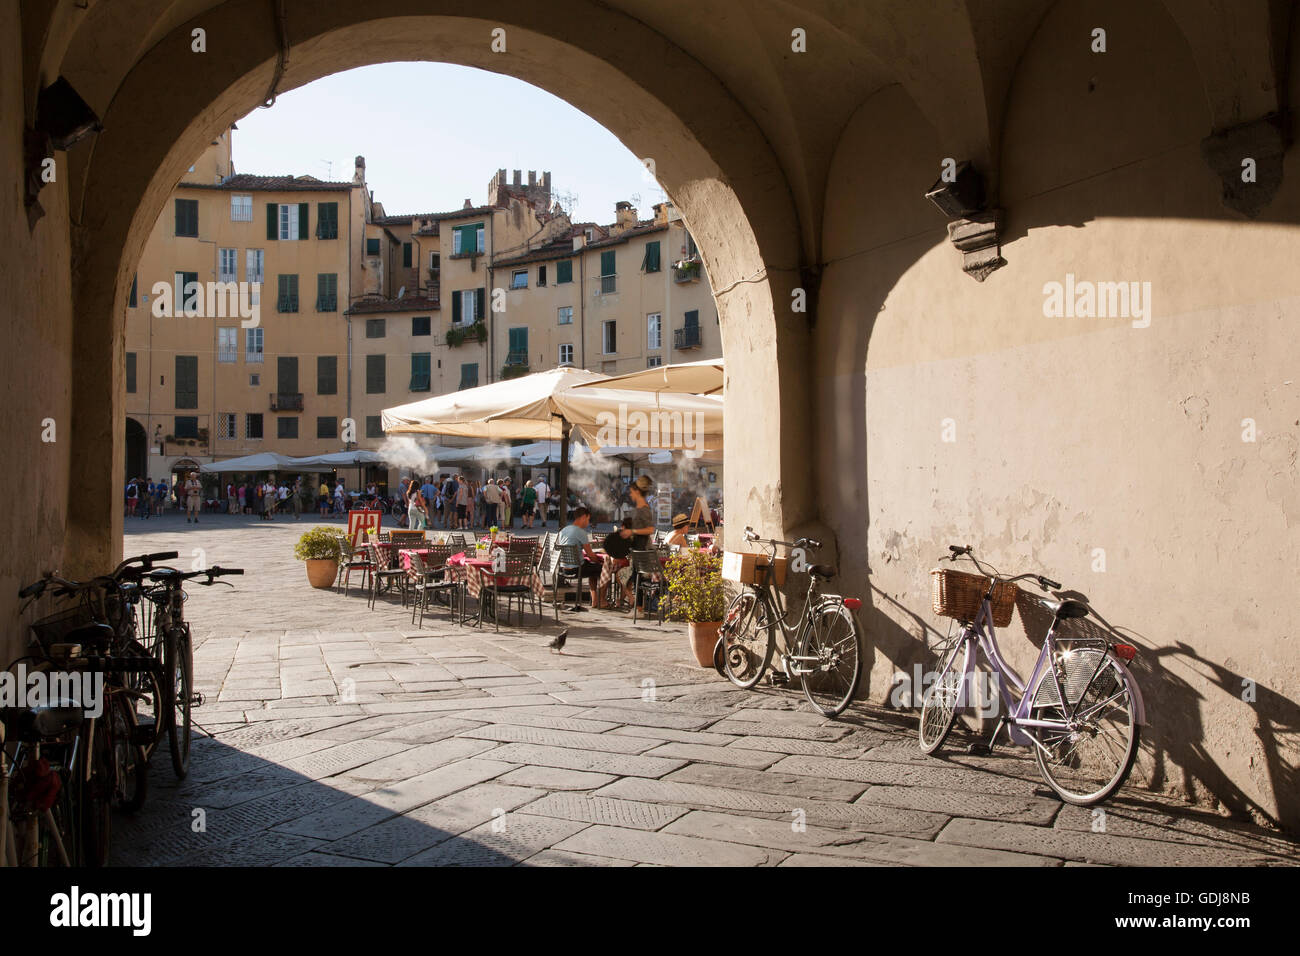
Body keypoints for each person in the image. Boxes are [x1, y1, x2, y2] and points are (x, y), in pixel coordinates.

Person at [556, 507, 605, 609]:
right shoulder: (581, 532)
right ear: (583, 517)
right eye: (588, 520)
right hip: (577, 568)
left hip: (564, 569)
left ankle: (595, 600)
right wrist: (600, 561)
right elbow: (591, 555)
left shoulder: (563, 530)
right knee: (602, 569)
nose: (588, 523)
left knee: (593, 568)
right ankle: (601, 600)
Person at [602, 517, 638, 607]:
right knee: (623, 575)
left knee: (622, 575)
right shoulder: (621, 538)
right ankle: (623, 599)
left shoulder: (630, 539)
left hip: (630, 566)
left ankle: (622, 599)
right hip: (625, 565)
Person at [626, 475, 657, 549]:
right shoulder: (638, 508)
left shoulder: (644, 509)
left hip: (644, 549)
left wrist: (632, 531)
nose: (630, 494)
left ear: (637, 492)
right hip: (638, 547)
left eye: (631, 492)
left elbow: (650, 529)